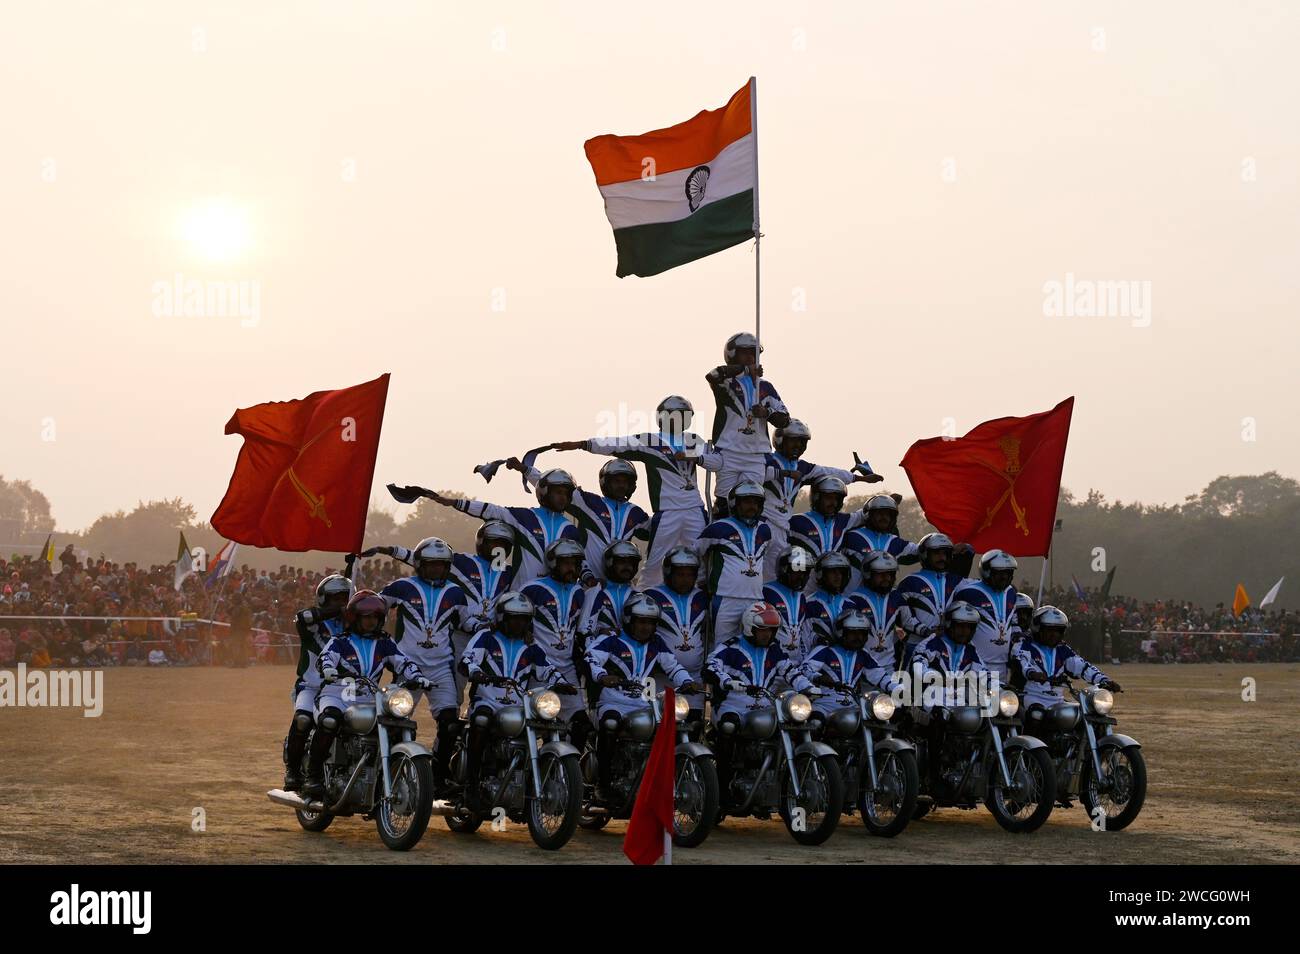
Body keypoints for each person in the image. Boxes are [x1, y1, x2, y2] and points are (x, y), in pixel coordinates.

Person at [552, 395, 722, 586]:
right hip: (667, 512)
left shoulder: (694, 441)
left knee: (700, 556)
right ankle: (644, 597)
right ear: (663, 418)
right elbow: (617, 444)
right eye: (675, 415)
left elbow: (718, 462)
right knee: (656, 562)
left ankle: (699, 598)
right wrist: (583, 444)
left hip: (694, 508)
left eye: (684, 415)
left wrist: (695, 458)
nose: (680, 419)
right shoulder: (650, 440)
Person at [304, 590, 432, 799]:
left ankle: (387, 775)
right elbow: (325, 657)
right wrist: (328, 668)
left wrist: (417, 676)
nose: (371, 622)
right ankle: (313, 776)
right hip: (337, 695)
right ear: (355, 618)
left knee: (398, 726)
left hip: (369, 698)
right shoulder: (340, 641)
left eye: (375, 617)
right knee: (329, 721)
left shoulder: (385, 642)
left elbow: (403, 661)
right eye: (366, 617)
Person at [459, 591, 577, 811]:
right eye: (514, 617)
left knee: (548, 724)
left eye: (523, 618)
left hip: (517, 705)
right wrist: (476, 672)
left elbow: (547, 668)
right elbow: (467, 659)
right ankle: (472, 783)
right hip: (487, 700)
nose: (518, 623)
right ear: (502, 617)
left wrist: (561, 682)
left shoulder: (531, 646)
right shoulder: (486, 637)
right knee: (482, 721)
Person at [585, 593, 703, 802]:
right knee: (610, 723)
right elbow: (590, 657)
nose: (646, 627)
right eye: (641, 621)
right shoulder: (612, 639)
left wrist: (686, 681)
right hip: (611, 702)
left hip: (641, 704)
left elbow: (673, 666)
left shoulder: (656, 643)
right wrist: (602, 676)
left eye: (650, 622)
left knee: (668, 729)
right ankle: (602, 784)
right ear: (630, 620)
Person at [377, 537, 468, 793]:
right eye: (431, 564)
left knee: (450, 724)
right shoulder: (402, 587)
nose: (437, 569)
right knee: (395, 722)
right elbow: (373, 608)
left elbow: (467, 622)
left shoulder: (455, 592)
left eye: (441, 565)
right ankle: (390, 775)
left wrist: (491, 628)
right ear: (419, 564)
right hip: (407, 665)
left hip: (442, 666)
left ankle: (438, 777)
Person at [705, 601, 815, 803]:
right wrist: (727, 681)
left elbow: (791, 671)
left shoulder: (775, 651)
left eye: (771, 630)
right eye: (762, 630)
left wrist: (807, 687)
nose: (767, 635)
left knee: (794, 724)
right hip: (734, 706)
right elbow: (710, 666)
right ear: (750, 628)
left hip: (765, 707)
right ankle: (720, 790)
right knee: (728, 726)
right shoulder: (731, 648)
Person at [409, 469, 592, 587]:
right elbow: (490, 510)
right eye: (558, 492)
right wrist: (454, 502)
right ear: (544, 492)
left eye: (566, 494)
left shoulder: (572, 529)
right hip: (522, 596)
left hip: (558, 598)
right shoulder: (524, 517)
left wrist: (589, 578)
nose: (562, 498)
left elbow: (579, 563)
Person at [760, 419, 879, 577]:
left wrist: (858, 478)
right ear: (781, 440)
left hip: (783, 528)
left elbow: (827, 472)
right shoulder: (765, 460)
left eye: (802, 442)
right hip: (762, 522)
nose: (798, 446)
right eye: (794, 441)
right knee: (756, 570)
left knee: (777, 576)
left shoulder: (802, 467)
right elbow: (748, 475)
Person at [519, 457, 650, 584]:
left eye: (625, 482)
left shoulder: (637, 513)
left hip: (620, 583)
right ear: (606, 482)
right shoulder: (590, 502)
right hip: (590, 582)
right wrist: (526, 469)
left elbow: (661, 529)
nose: (621, 485)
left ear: (631, 485)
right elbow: (552, 484)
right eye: (616, 481)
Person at [522, 538, 598, 754]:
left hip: (566, 668)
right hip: (537, 669)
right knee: (529, 727)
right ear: (553, 563)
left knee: (582, 725)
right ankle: (529, 777)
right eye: (566, 563)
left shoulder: (579, 592)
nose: (571, 568)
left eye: (575, 563)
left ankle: (567, 770)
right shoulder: (532, 588)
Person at [706, 333, 791, 515]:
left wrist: (766, 413)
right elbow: (713, 375)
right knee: (724, 503)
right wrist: (745, 371)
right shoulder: (726, 383)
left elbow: (785, 420)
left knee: (751, 501)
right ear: (732, 355)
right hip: (729, 452)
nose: (750, 358)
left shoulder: (766, 387)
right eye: (744, 353)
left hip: (756, 455)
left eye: (753, 353)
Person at [282, 573, 353, 792]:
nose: (341, 602)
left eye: (345, 598)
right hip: (311, 686)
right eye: (335, 598)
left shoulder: (354, 625)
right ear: (323, 599)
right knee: (303, 719)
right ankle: (293, 771)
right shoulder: (313, 625)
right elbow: (302, 617)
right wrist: (336, 611)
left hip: (344, 688)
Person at [1017, 606, 1120, 736]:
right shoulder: (1026, 645)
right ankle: (1026, 750)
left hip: (1057, 700)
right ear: (1038, 628)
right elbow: (1023, 662)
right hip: (1032, 697)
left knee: (1086, 713)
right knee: (1036, 714)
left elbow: (1083, 667)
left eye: (1059, 631)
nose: (1054, 635)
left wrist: (1105, 680)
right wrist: (1032, 673)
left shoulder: (1063, 649)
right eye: (1049, 630)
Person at [696, 479, 773, 640]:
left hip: (755, 598)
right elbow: (697, 551)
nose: (752, 506)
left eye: (755, 502)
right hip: (725, 599)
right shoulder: (717, 528)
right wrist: (702, 579)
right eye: (746, 502)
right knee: (721, 645)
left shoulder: (765, 530)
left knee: (751, 645)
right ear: (734, 503)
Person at [644, 546, 711, 722]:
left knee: (693, 724)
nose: (686, 579)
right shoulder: (651, 596)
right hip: (660, 677)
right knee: (659, 726)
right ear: (668, 573)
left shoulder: (703, 598)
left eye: (690, 575)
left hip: (694, 678)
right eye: (680, 574)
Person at [803, 609, 893, 724]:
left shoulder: (864, 655)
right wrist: (818, 678)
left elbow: (881, 676)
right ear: (841, 632)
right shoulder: (825, 650)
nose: (859, 638)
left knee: (877, 725)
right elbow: (804, 669)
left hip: (853, 707)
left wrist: (898, 689)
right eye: (854, 633)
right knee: (815, 724)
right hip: (823, 706)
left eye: (863, 633)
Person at [952, 549, 1022, 684]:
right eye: (1000, 573)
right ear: (987, 571)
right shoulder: (969, 591)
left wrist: (1019, 637)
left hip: (1002, 664)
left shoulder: (1011, 592)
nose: (1004, 577)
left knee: (998, 703)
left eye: (1008, 573)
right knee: (973, 702)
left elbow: (1013, 623)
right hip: (974, 662)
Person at [896, 533, 965, 667]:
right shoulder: (910, 582)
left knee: (947, 687)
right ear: (924, 554)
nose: (942, 558)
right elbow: (902, 617)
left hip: (948, 647)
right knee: (913, 687)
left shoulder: (957, 581)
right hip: (916, 645)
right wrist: (927, 631)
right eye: (936, 554)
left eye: (945, 553)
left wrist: (967, 554)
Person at [848, 550, 917, 685]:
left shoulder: (896, 596)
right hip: (860, 667)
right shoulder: (855, 599)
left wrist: (929, 631)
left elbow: (909, 622)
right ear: (868, 574)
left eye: (890, 574)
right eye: (881, 574)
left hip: (889, 666)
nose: (887, 578)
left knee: (894, 704)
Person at [787, 476, 867, 569]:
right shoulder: (797, 521)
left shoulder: (844, 520)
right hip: (806, 577)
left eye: (836, 499)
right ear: (816, 497)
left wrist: (887, 499)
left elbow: (867, 513)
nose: (833, 502)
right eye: (828, 498)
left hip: (833, 576)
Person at [842, 494, 919, 590]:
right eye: (880, 513)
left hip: (882, 601)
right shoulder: (851, 537)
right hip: (850, 598)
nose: (884, 517)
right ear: (869, 515)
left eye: (888, 514)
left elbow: (925, 550)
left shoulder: (895, 541)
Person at [762, 545, 816, 662]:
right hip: (771, 662)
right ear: (784, 569)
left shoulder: (801, 597)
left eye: (805, 572)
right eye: (797, 571)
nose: (801, 576)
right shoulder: (766, 592)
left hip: (794, 663)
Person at [805, 551, 866, 648]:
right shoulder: (809, 604)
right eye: (833, 571)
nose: (838, 576)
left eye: (841, 572)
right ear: (822, 574)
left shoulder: (851, 605)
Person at [585, 540, 643, 637]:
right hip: (600, 650)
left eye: (631, 563)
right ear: (609, 563)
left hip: (629, 651)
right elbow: (584, 631)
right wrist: (599, 632)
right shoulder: (595, 593)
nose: (627, 567)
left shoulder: (639, 596)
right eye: (622, 562)